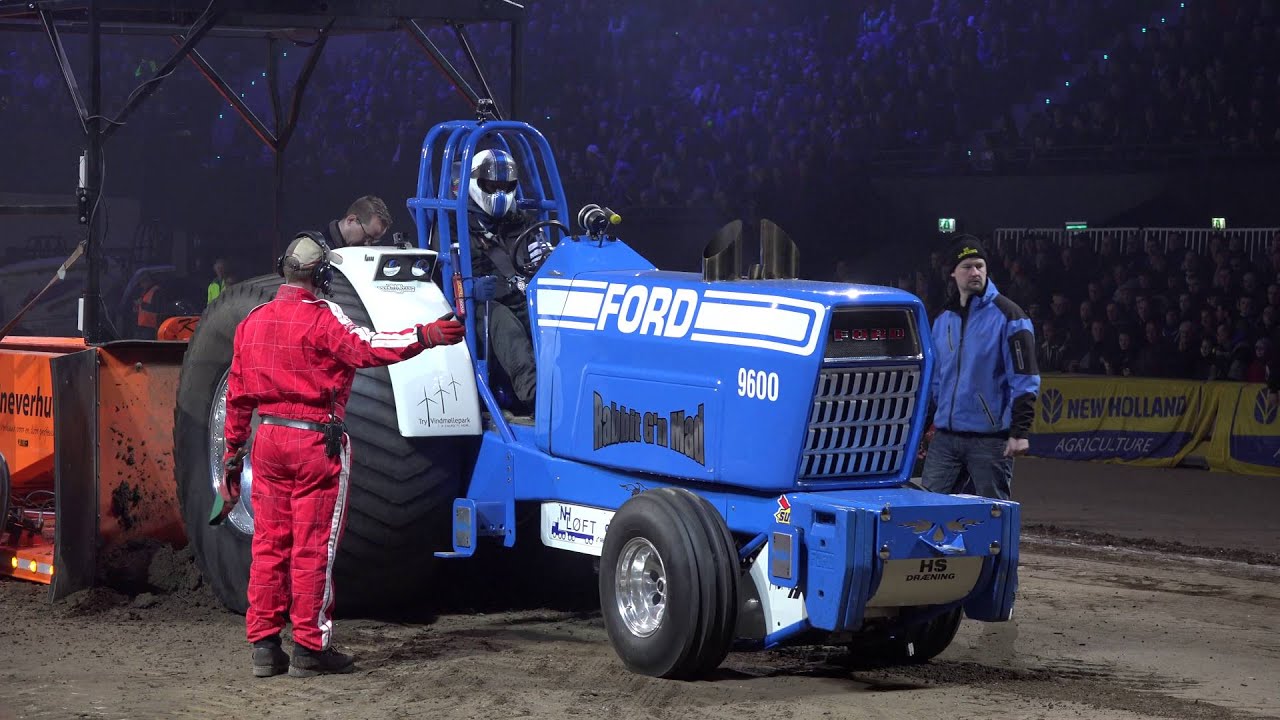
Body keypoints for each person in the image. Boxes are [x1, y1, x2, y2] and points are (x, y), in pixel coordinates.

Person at [216, 232, 465, 678]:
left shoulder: (252, 321)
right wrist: (425, 335)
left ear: (284, 270)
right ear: (322, 275)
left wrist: (232, 458)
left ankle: (265, 648)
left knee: (270, 544)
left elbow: (237, 398)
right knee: (314, 547)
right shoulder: (325, 318)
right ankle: (311, 648)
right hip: (316, 444)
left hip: (268, 441)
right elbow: (370, 348)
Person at [920, 236, 1040, 501]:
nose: (975, 272)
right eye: (967, 266)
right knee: (924, 511)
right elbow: (936, 381)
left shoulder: (1010, 316)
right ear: (952, 272)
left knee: (992, 515)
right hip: (946, 438)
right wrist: (925, 425)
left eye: (980, 265)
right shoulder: (943, 319)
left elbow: (1025, 380)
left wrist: (1019, 432)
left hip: (990, 440)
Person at [464, 148, 551, 413]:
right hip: (477, 306)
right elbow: (441, 274)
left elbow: (538, 255)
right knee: (505, 325)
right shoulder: (455, 222)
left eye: (506, 186)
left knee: (549, 323)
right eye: (492, 185)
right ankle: (538, 398)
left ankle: (567, 387)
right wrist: (470, 288)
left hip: (521, 295)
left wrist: (547, 260)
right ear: (477, 183)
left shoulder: (521, 221)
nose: (500, 193)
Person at [321, 195, 393, 249]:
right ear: (351, 220)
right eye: (367, 237)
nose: (367, 244)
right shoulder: (316, 250)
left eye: (373, 241)